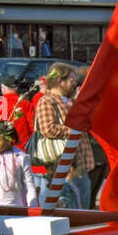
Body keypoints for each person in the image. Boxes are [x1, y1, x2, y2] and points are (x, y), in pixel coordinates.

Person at [33, 64, 94, 208]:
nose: (74, 82)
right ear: (61, 81)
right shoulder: (47, 101)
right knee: (67, 211)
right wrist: (74, 129)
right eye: (71, 80)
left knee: (83, 211)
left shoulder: (70, 101)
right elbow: (47, 128)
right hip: (62, 168)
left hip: (80, 165)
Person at [0, 122, 43, 207]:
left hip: (15, 207)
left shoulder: (21, 157)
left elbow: (29, 186)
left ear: (8, 140)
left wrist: (32, 208)